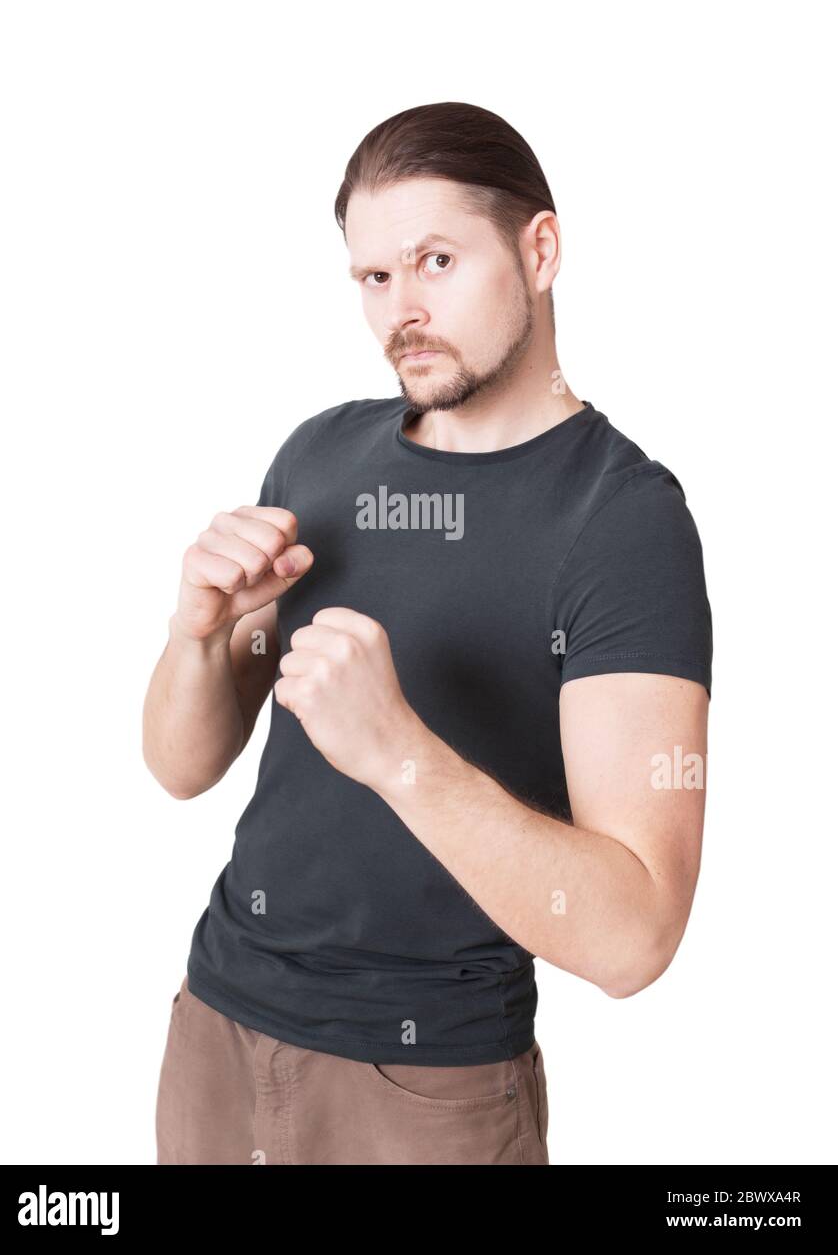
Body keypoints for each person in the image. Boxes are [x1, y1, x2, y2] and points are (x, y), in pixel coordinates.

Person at [143, 101, 712, 1166]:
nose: (401, 308)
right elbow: (181, 768)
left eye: (435, 260)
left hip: (424, 1087)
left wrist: (398, 752)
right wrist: (194, 634)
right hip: (215, 1026)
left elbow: (635, 936)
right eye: (373, 277)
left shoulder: (623, 521)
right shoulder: (319, 455)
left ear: (538, 249)